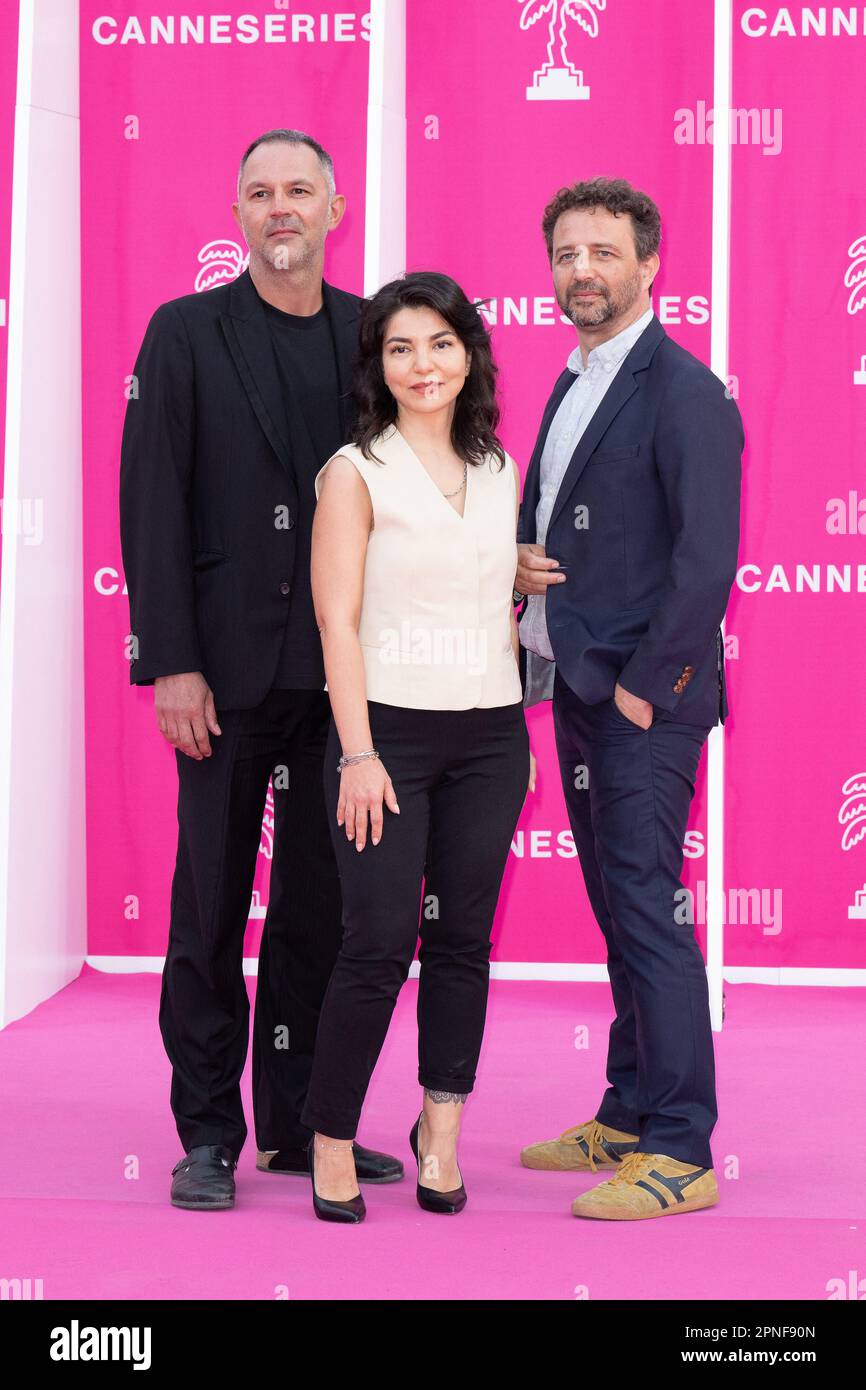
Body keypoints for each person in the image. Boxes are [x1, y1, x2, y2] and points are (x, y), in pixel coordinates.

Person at [119, 129, 401, 1210]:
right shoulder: (184, 333)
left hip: (341, 681)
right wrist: (171, 663)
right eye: (258, 192)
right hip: (224, 679)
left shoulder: (372, 335)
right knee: (208, 907)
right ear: (236, 213)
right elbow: (150, 505)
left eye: (298, 190)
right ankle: (205, 1133)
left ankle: (292, 1124)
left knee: (319, 912)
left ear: (333, 206)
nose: (278, 207)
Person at [515, 177, 743, 1220]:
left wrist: (652, 692)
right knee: (618, 909)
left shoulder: (686, 391)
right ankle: (625, 1105)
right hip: (575, 681)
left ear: (648, 265)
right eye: (566, 253)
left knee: (646, 911)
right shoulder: (573, 378)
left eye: (602, 253)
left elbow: (706, 564)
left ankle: (680, 1145)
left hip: (642, 700)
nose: (582, 272)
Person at [298, 271, 532, 1223]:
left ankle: (441, 1128)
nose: (422, 364)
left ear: (468, 351)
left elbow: (490, 589)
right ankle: (331, 1134)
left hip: (490, 733)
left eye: (439, 343)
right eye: (400, 348)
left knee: (464, 943)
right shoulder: (355, 471)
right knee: (379, 941)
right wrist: (358, 754)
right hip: (384, 734)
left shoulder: (499, 465)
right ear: (378, 366)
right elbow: (337, 623)